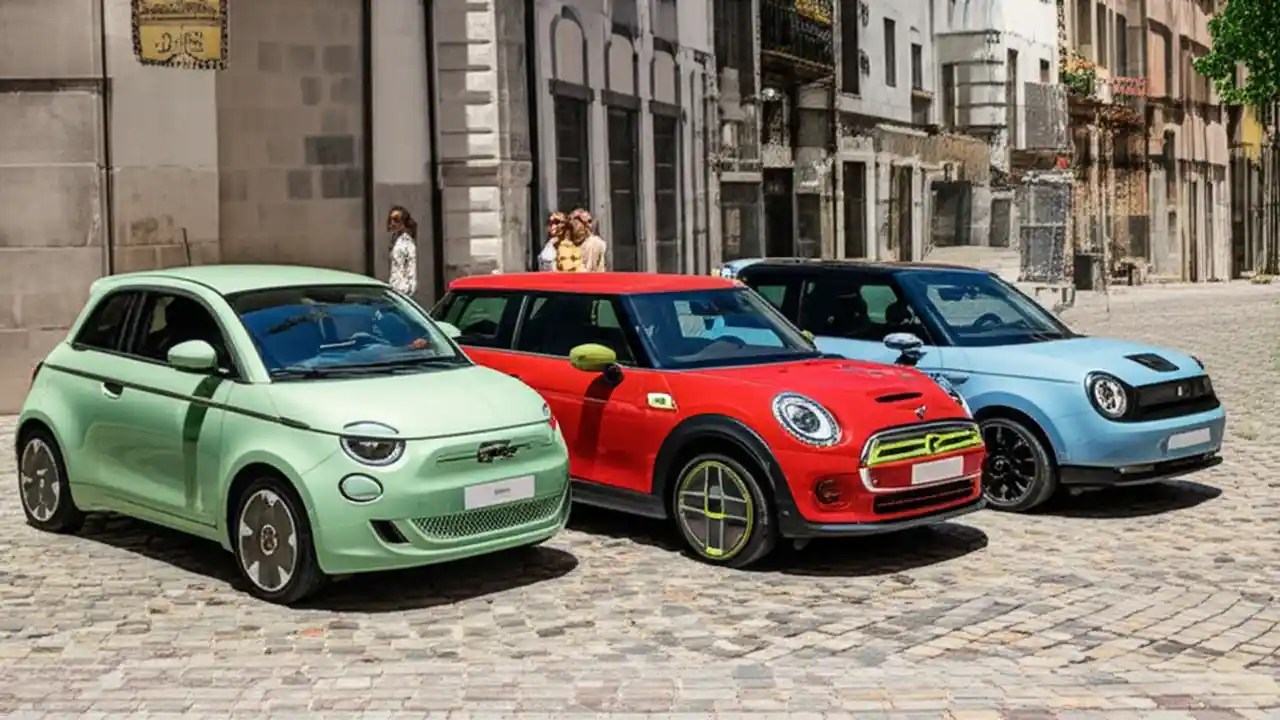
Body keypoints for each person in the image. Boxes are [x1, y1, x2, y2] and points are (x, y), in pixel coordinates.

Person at [386, 206, 417, 296]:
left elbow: (411, 268)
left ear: (403, 222)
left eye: (396, 220)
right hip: (394, 287)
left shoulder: (407, 242)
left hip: (403, 290)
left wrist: (407, 290)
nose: (392, 223)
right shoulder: (395, 239)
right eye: (391, 219)